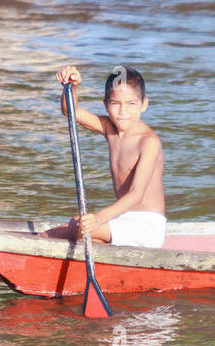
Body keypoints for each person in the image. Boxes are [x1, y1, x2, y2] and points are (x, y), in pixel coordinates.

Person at [44, 65, 166, 249]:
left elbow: (137, 194)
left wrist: (99, 218)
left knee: (79, 227)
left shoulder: (148, 142)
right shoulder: (110, 128)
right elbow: (71, 111)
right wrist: (71, 86)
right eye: (115, 103)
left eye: (131, 104)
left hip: (146, 227)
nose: (123, 112)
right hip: (123, 219)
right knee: (58, 232)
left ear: (144, 104)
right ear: (105, 104)